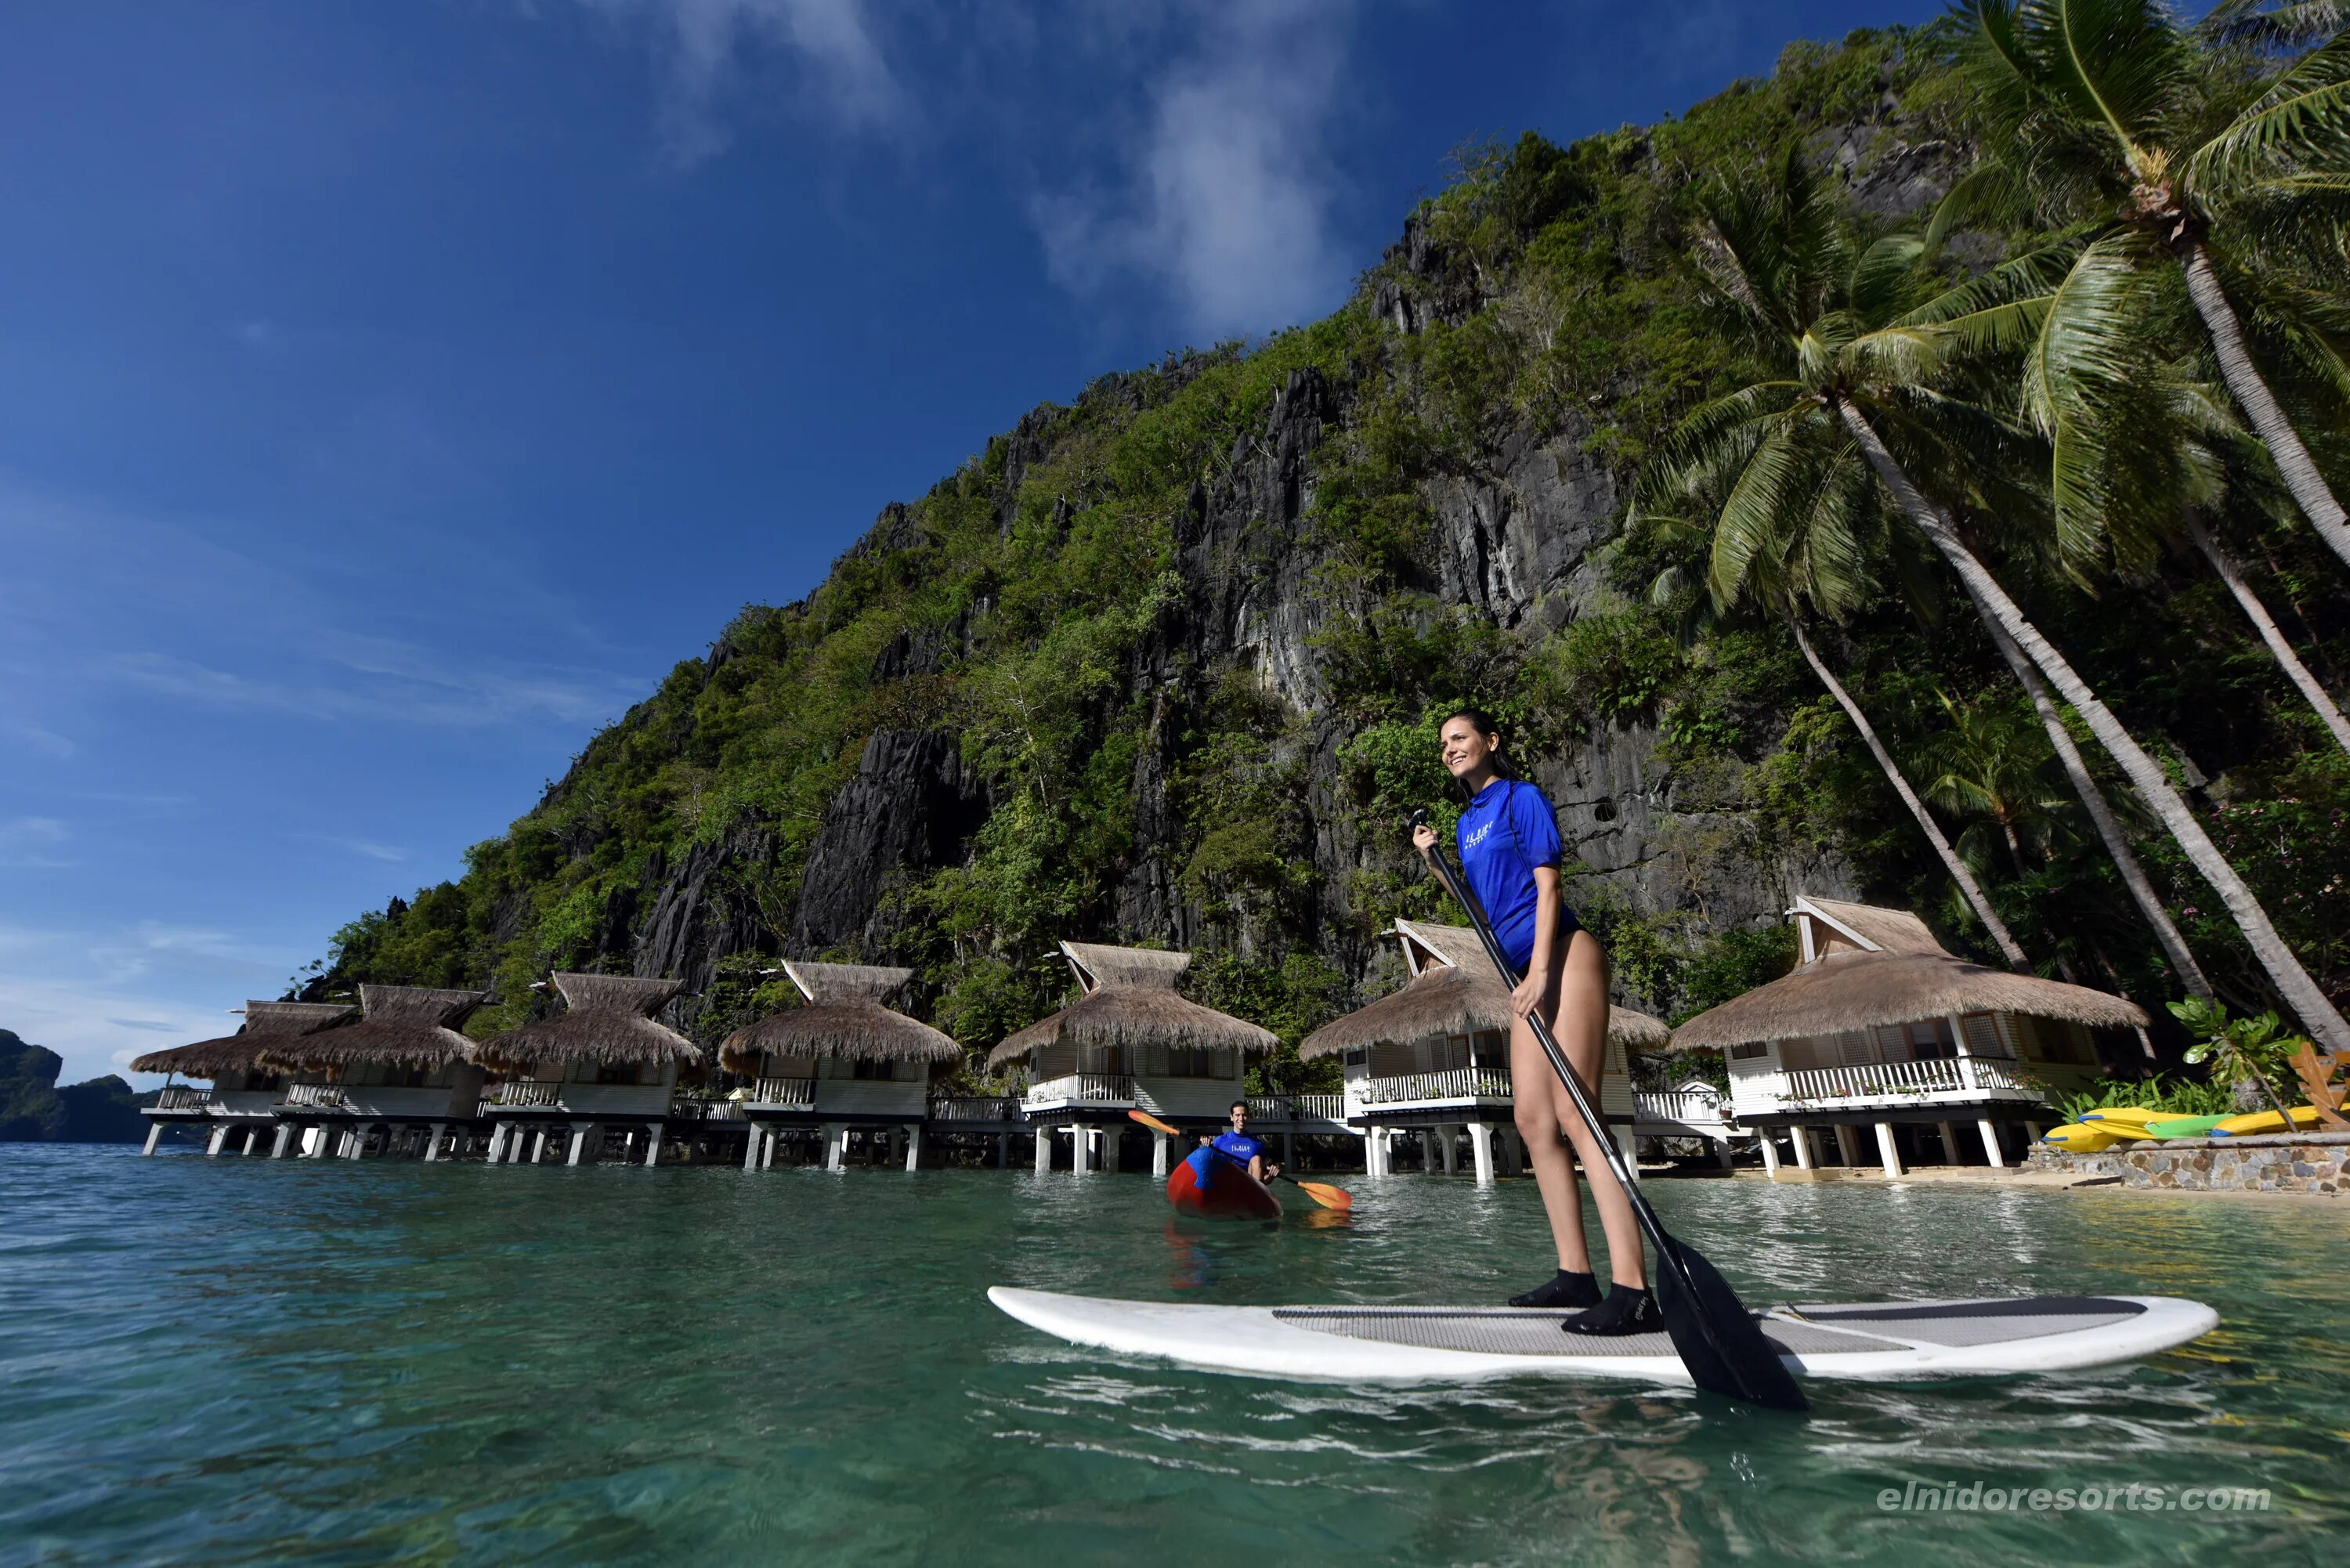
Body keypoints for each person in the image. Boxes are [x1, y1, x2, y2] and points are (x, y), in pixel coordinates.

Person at [1411, 707, 1657, 1337]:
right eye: (1443, 744)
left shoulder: (1522, 798)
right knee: (1532, 1120)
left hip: (1563, 957)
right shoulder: (1466, 823)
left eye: (1459, 738)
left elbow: (1547, 888)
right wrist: (1434, 860)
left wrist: (1543, 972)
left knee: (1579, 1111)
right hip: (1523, 972)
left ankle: (1634, 1288)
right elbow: (1483, 896)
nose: (1450, 749)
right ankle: (1576, 1274)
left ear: (1491, 741)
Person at [1188, 1099, 1281, 1189]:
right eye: (1237, 1115)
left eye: (1244, 1115)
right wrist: (1204, 1144)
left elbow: (1263, 1179)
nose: (1241, 1119)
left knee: (1256, 1159)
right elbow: (1205, 1159)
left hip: (1247, 1187)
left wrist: (1271, 1176)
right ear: (1232, 1117)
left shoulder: (1257, 1144)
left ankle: (1254, 1198)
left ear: (1248, 1117)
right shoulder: (1220, 1141)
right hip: (1226, 1184)